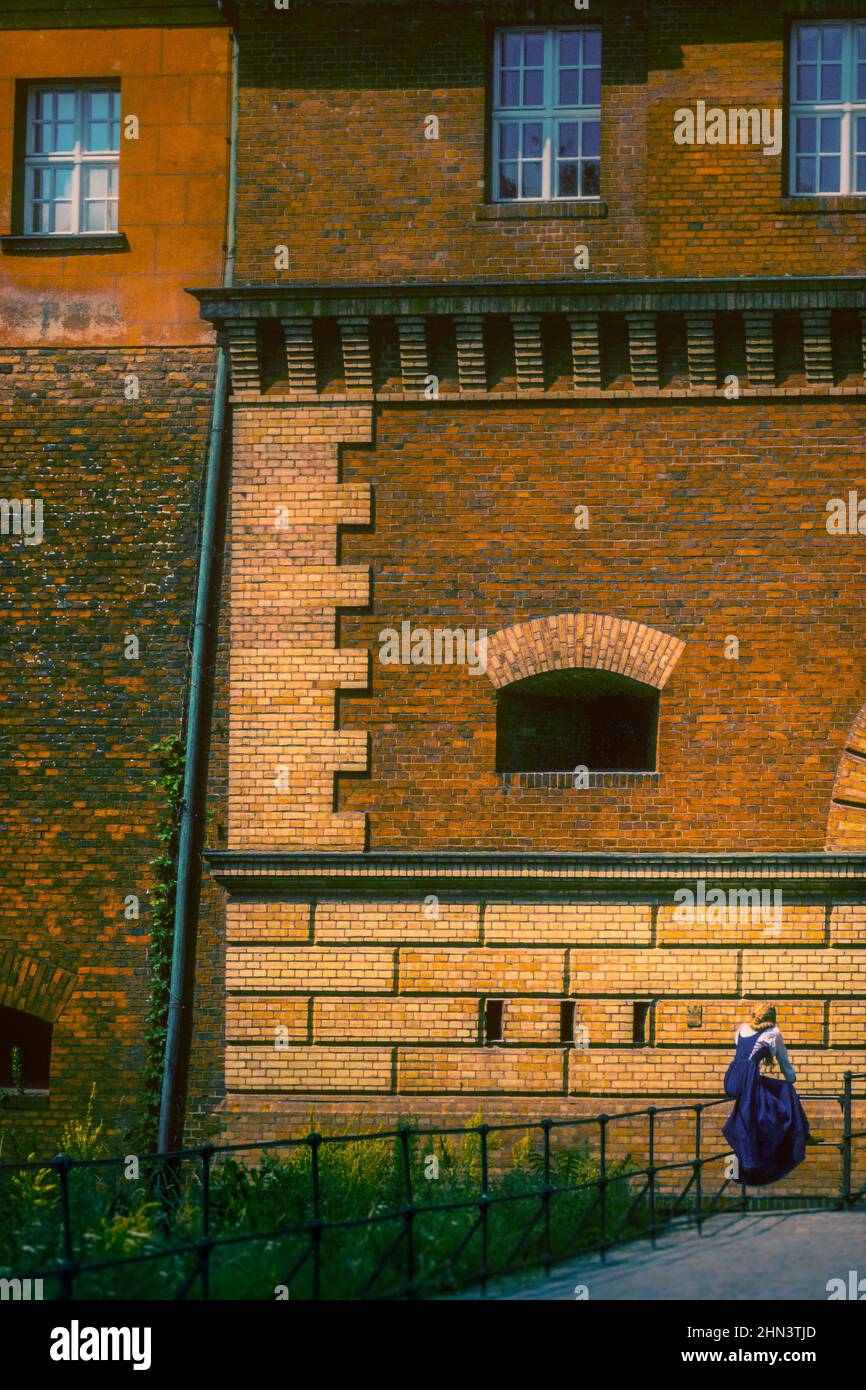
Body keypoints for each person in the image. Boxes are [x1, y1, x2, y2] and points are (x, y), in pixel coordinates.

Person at [722, 1003, 811, 1186]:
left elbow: (742, 1053)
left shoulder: (742, 1028)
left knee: (759, 1100)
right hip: (747, 1081)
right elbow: (785, 1064)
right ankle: (802, 1132)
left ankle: (731, 1171)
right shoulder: (773, 1033)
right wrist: (791, 1079)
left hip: (732, 1078)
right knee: (787, 1090)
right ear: (772, 1017)